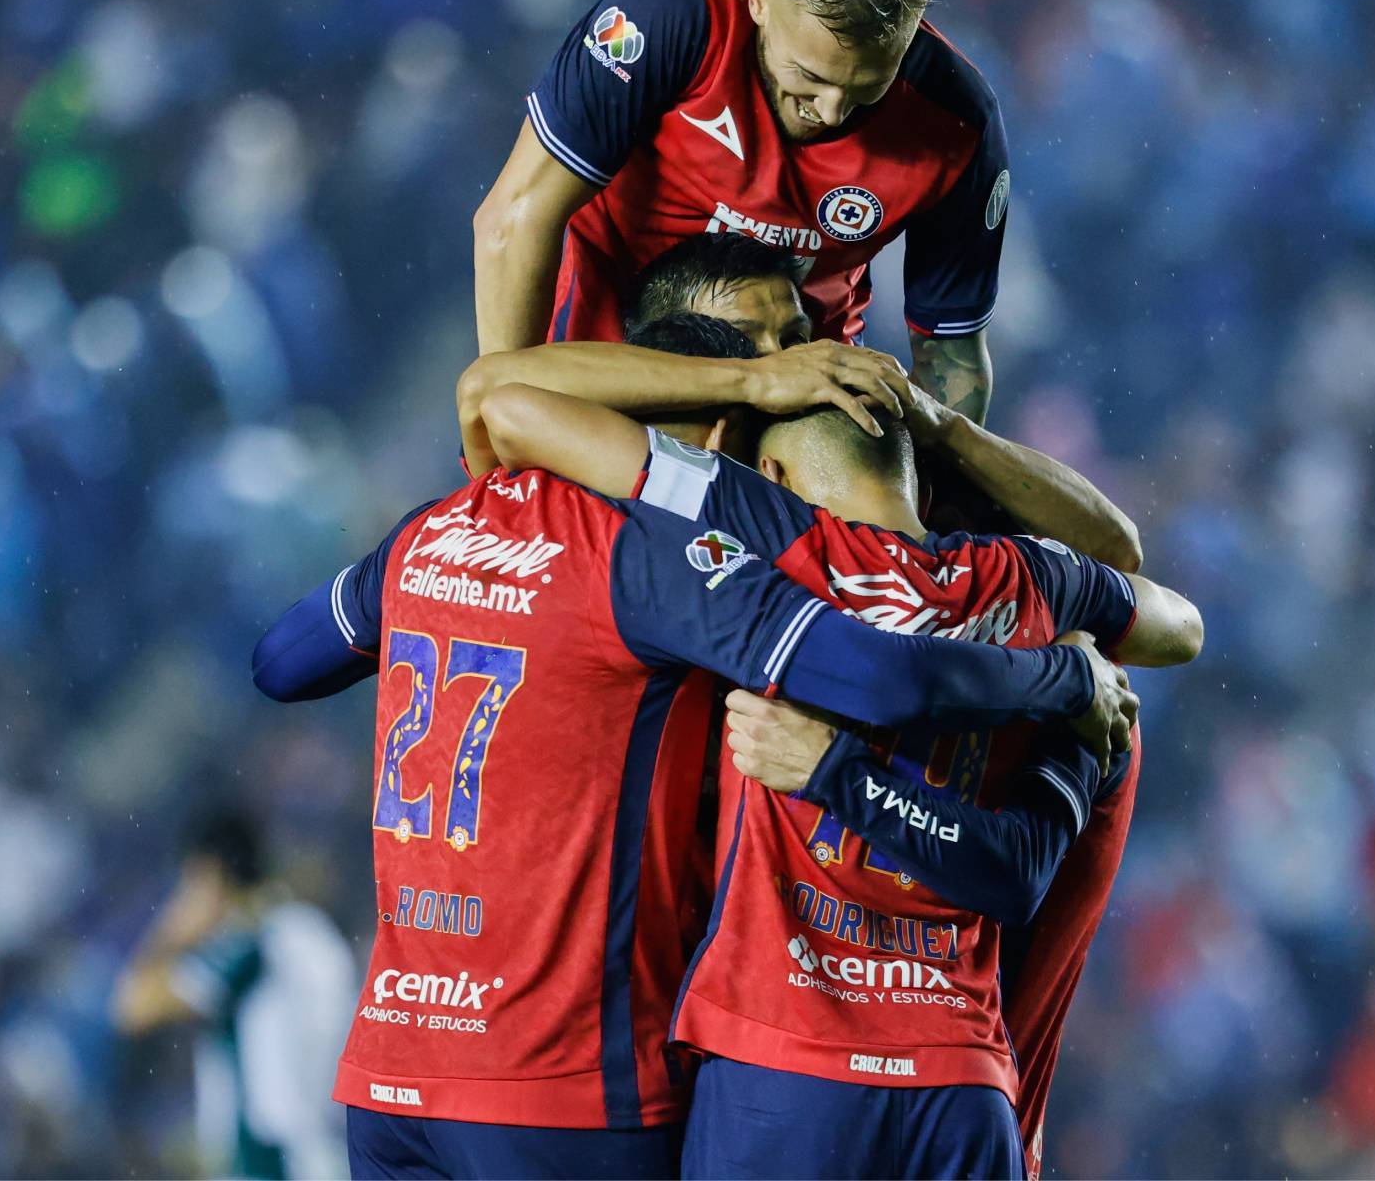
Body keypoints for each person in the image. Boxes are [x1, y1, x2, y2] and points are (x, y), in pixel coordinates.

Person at [250, 316, 1138, 1180]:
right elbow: (884, 678)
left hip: (393, 1073)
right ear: (715, 440)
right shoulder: (660, 561)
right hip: (557, 1083)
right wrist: (1063, 678)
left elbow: (282, 664)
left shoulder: (424, 535)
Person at [472, 388, 1200, 1179]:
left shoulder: (770, 536)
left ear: (775, 469)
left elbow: (511, 408)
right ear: (917, 479)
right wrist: (949, 433)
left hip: (784, 1068)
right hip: (959, 1078)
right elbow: (1180, 625)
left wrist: (762, 382)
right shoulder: (1041, 586)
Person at [475, 0, 1014, 421]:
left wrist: (936, 498)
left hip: (802, 375)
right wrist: (505, 424)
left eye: (865, 87)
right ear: (758, 1)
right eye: (808, 77)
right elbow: (517, 216)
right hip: (611, 340)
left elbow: (953, 356)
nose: (829, 112)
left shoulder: (959, 123)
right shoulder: (676, 3)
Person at [459, 232, 1142, 571]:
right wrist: (752, 381)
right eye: (740, 340)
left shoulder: (848, 460)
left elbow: (1115, 549)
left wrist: (941, 427)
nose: (787, 361)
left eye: (794, 337)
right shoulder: (608, 463)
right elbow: (488, 389)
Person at [112, 809, 358, 1180]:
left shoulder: (251, 942)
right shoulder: (307, 930)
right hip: (323, 1149)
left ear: (209, 874)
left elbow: (132, 1008)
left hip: (270, 1160)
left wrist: (173, 929)